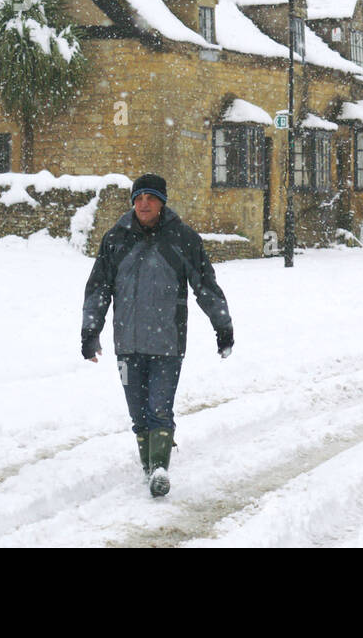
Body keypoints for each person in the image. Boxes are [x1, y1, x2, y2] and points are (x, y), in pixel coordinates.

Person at [82, 173, 234, 497]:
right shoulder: (115, 239)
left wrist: (222, 326)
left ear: (162, 202)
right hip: (127, 345)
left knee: (159, 410)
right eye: (138, 198)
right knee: (138, 414)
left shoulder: (182, 239)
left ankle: (160, 469)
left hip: (168, 343)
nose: (144, 204)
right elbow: (98, 289)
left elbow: (205, 286)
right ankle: (149, 468)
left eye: (150, 198)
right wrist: (90, 331)